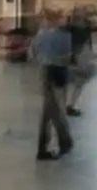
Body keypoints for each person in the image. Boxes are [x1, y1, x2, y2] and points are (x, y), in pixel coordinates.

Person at [31, 8, 74, 160]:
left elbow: (33, 54)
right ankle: (62, 142)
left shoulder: (40, 35)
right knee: (53, 110)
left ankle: (56, 143)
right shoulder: (64, 36)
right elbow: (67, 57)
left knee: (50, 110)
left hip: (45, 72)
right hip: (57, 73)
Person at [66, 6, 96, 116]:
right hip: (77, 55)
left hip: (78, 56)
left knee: (76, 83)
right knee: (76, 83)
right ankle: (70, 105)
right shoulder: (73, 28)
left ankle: (70, 104)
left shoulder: (79, 27)